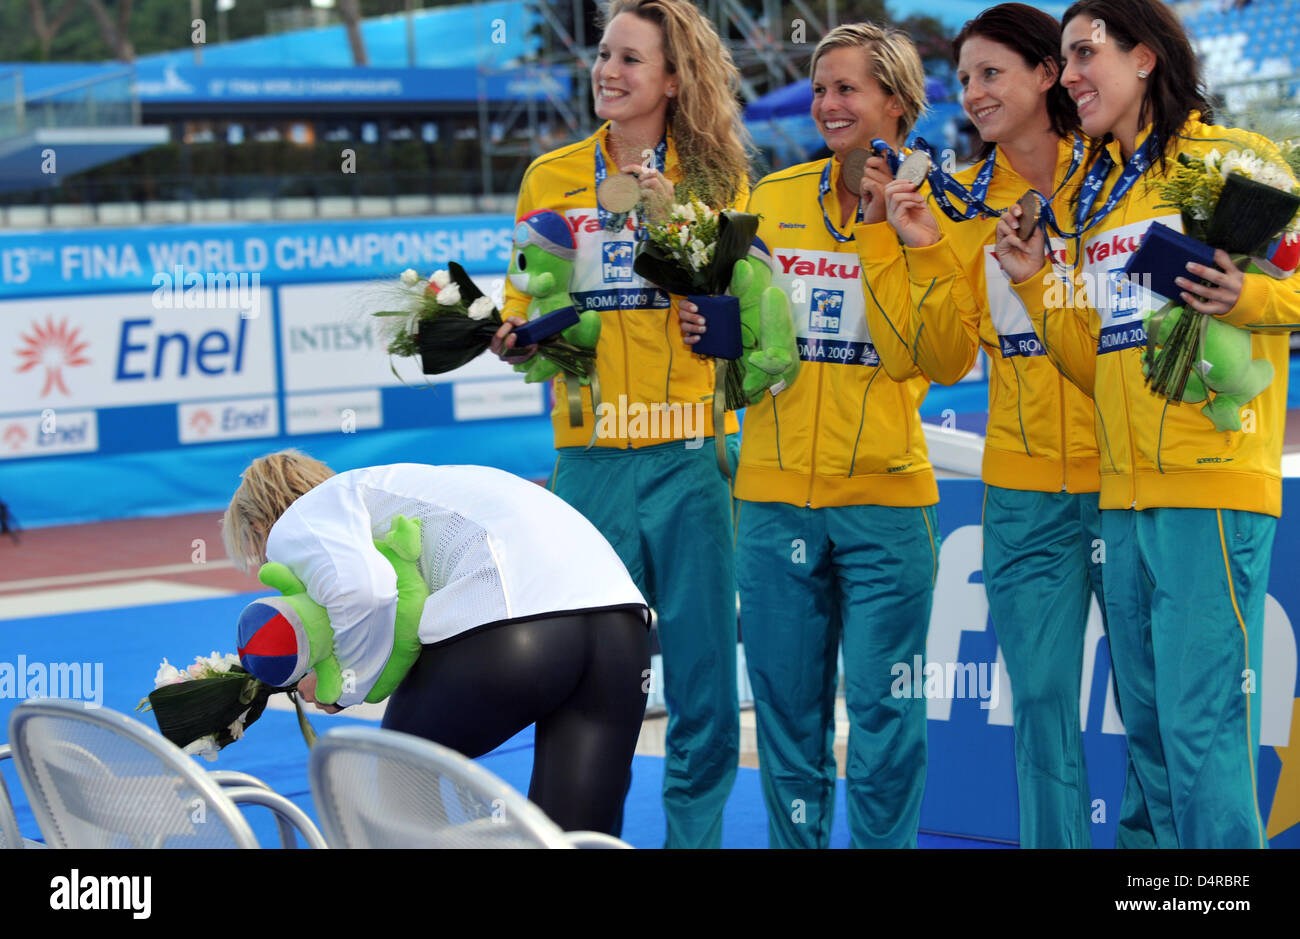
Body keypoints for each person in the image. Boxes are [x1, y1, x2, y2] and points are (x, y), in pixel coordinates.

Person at [994, 0, 1300, 848]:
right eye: (1064, 57)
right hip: (1121, 497)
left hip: (1209, 486)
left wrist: (1254, 295)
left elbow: (1292, 289)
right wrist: (1029, 283)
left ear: (1146, 59)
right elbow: (1102, 363)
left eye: (1087, 52)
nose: (1073, 74)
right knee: (1155, 740)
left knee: (1200, 739)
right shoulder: (1092, 195)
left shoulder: (1241, 162)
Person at [488, 0, 752, 849]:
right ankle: (574, 839)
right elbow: (530, 310)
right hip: (589, 462)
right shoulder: (548, 177)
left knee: (706, 691)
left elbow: (740, 319)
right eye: (604, 53)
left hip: (689, 455)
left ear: (674, 80)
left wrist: (672, 215)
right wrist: (512, 336)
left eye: (631, 59)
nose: (607, 69)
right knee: (588, 684)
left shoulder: (719, 180)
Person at [853, 4, 1105, 848]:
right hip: (1025, 491)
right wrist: (916, 247)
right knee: (1037, 704)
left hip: (1133, 478)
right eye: (963, 79)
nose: (972, 93)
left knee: (1153, 708)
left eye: (992, 72)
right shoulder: (962, 201)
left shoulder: (1112, 182)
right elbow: (943, 359)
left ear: (1048, 73)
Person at [683, 22, 937, 849]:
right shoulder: (768, 203)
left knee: (883, 716)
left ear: (894, 104)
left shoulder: (933, 203)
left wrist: (886, 232)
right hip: (773, 502)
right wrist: (704, 325)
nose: (828, 104)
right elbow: (731, 334)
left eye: (847, 88)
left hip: (886, 505)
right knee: (788, 723)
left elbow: (943, 352)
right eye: (821, 87)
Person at [221, 451, 650, 836]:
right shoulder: (402, 486)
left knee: (400, 779)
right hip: (622, 626)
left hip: (514, 627)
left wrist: (345, 687)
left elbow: (364, 593)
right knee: (573, 837)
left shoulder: (306, 515)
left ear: (260, 527)